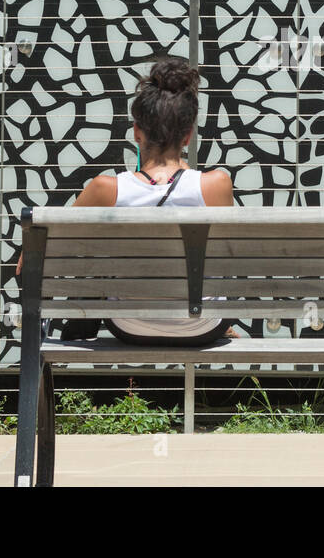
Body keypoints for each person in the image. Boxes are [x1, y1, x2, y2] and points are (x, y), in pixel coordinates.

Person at [17, 55, 236, 345]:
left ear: (136, 131)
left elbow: (36, 256)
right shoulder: (216, 184)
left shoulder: (104, 189)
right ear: (187, 137)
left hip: (129, 322)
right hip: (202, 324)